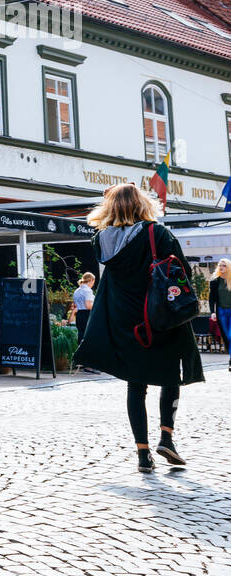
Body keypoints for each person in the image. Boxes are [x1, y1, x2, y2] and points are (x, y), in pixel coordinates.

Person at [73, 184, 204, 473]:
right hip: (161, 317)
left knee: (136, 384)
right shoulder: (157, 233)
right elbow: (181, 269)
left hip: (127, 324)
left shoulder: (101, 241)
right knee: (172, 376)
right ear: (143, 204)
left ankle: (143, 454)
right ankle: (166, 437)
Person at [208, 259, 231, 368]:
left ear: (228, 267)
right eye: (220, 265)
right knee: (227, 337)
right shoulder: (215, 281)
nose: (221, 267)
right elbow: (211, 299)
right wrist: (212, 312)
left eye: (224, 266)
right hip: (221, 312)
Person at [73, 272, 96, 340]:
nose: (93, 284)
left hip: (79, 314)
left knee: (81, 335)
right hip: (87, 314)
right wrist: (98, 307)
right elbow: (88, 306)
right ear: (91, 280)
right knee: (89, 335)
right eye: (94, 281)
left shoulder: (76, 291)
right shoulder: (88, 290)